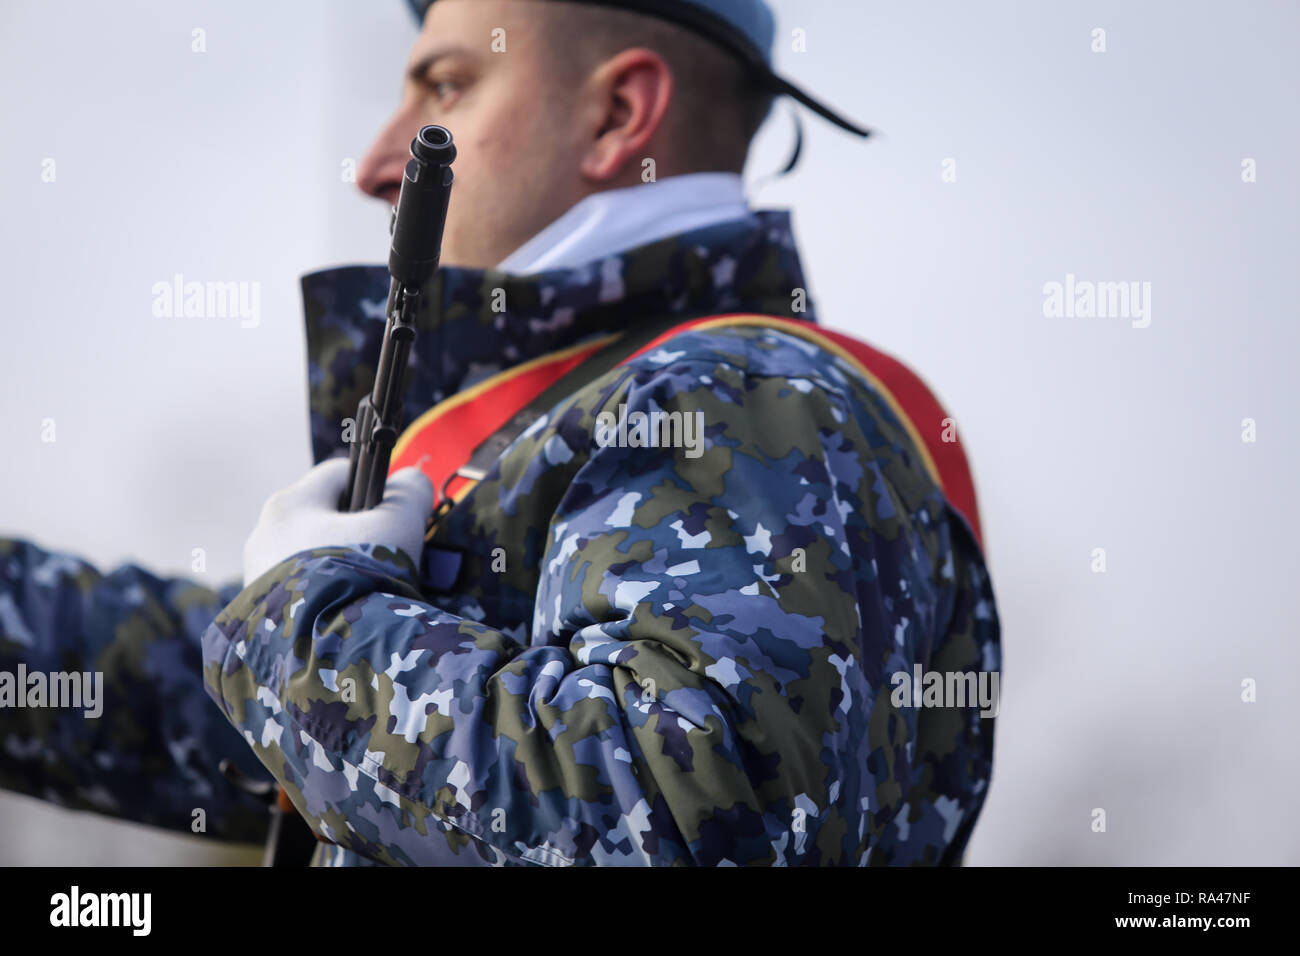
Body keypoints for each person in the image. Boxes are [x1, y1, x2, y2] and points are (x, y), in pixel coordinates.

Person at [0, 0, 999, 866]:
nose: (378, 162)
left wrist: (305, 621)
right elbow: (195, 701)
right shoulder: (598, 405)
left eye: (444, 87)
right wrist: (290, 635)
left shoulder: (742, 387)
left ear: (617, 115)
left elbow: (675, 819)